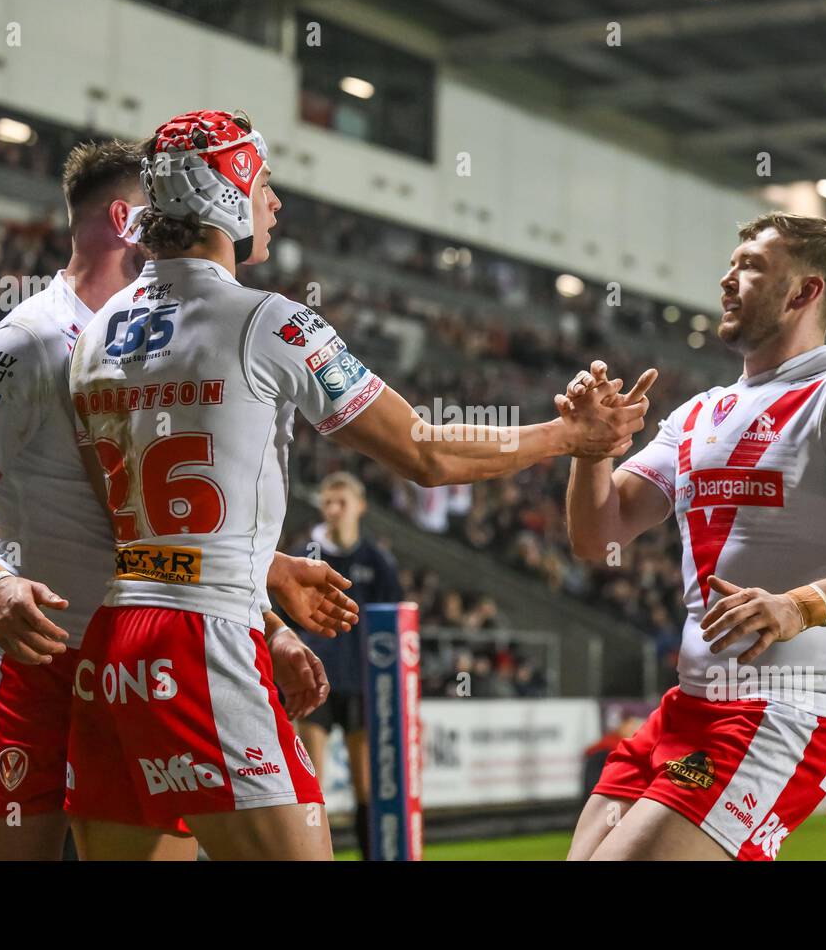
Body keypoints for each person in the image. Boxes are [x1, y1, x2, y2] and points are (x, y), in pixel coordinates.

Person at [66, 108, 651, 860]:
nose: (272, 203)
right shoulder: (270, 321)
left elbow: (125, 520)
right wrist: (568, 437)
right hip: (203, 639)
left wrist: (266, 590)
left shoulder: (93, 335)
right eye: (265, 184)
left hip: (115, 641)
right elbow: (426, 452)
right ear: (225, 194)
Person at [0, 139, 358, 860]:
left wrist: (263, 608)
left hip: (142, 661)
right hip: (41, 662)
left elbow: (155, 530)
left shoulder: (162, 338)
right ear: (126, 218)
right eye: (165, 206)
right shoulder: (28, 340)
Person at [561, 212, 826, 861]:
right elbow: (600, 536)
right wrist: (590, 450)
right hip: (686, 707)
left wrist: (798, 605)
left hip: (780, 716)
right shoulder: (700, 411)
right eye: (732, 266)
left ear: (804, 291)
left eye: (751, 266)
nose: (727, 280)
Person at [290, 471, 402, 860]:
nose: (334, 509)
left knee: (366, 786)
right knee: (310, 784)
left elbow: (397, 619)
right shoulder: (305, 552)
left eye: (342, 502)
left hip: (362, 683)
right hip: (314, 679)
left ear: (360, 506)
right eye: (327, 502)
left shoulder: (377, 560)